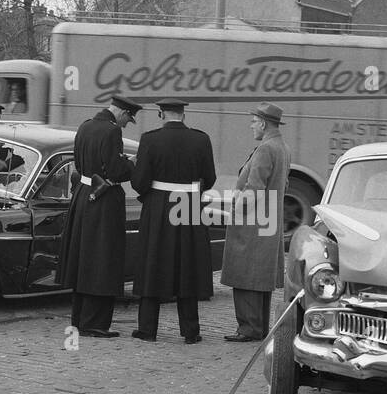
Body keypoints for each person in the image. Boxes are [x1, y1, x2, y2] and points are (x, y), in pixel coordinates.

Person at [130, 98, 217, 344]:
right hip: (188, 204)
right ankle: (191, 331)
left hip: (158, 205)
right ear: (183, 114)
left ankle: (147, 329)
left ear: (161, 114)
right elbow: (209, 178)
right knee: (187, 264)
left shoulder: (149, 139)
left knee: (152, 262)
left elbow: (139, 181)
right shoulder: (201, 139)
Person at [57, 96, 140, 336]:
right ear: (122, 113)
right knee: (103, 259)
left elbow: (84, 163)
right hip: (103, 199)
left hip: (84, 194)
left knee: (85, 259)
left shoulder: (85, 125)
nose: (126, 125)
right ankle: (95, 323)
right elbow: (114, 170)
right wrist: (132, 165)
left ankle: (80, 319)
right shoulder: (112, 132)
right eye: (128, 119)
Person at [221, 102, 292, 342]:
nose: (251, 125)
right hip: (269, 217)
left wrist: (235, 210)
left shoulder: (265, 149)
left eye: (253, 121)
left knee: (245, 273)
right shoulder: (282, 147)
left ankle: (248, 328)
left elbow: (254, 188)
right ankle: (259, 326)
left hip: (252, 220)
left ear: (263, 123)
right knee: (259, 274)